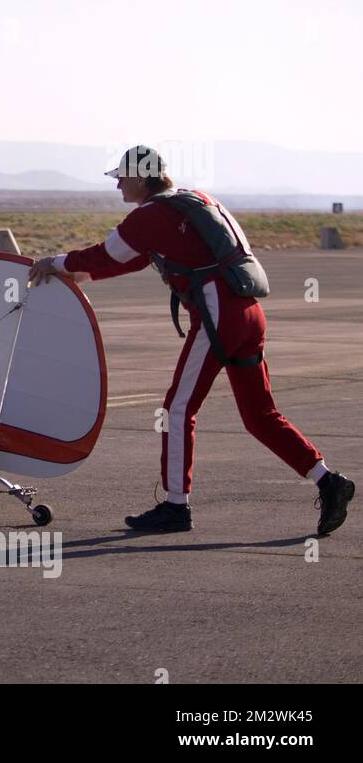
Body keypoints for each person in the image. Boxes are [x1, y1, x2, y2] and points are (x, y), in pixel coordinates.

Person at [29, 146, 354, 535]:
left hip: (219, 316)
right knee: (260, 417)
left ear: (140, 178)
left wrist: (57, 263)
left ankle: (175, 506)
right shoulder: (194, 199)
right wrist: (84, 276)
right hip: (248, 314)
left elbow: (109, 253)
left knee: (177, 409)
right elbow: (138, 257)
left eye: (121, 177)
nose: (117, 183)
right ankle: (328, 481)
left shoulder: (149, 214)